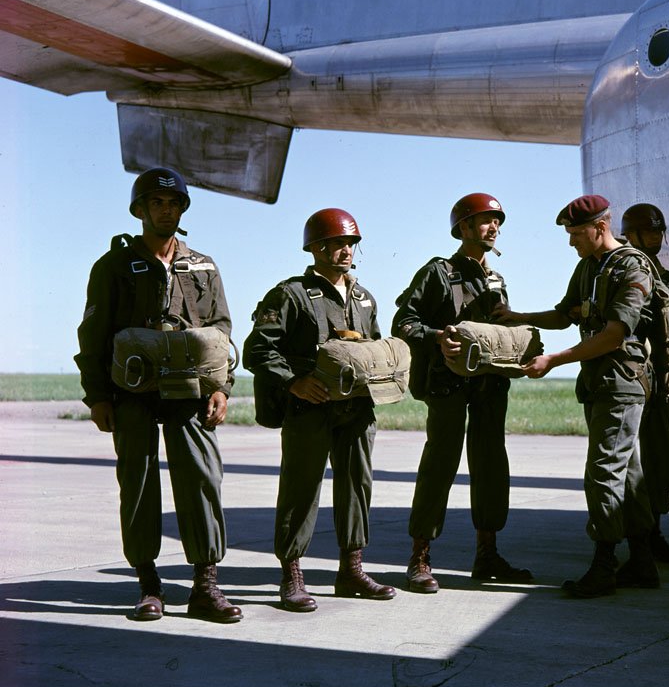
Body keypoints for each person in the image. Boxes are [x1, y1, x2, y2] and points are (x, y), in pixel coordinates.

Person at [75, 167, 242, 623]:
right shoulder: (112, 267)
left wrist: (222, 388)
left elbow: (222, 331)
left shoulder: (203, 266)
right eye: (156, 204)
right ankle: (149, 585)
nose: (165, 211)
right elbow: (94, 335)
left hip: (191, 390)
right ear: (141, 210)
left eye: (173, 204)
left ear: (181, 210)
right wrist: (98, 398)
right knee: (140, 483)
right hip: (133, 393)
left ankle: (205, 585)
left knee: (203, 482)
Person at [495, 194, 657, 598]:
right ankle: (641, 562)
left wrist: (552, 360)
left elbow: (614, 334)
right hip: (601, 384)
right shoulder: (589, 268)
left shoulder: (632, 267)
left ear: (600, 228)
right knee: (629, 476)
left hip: (621, 382)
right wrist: (520, 318)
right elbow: (565, 315)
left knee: (603, 472)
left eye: (576, 234)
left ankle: (604, 566)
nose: (571, 242)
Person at [242, 208, 396, 611]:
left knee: (357, 486)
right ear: (316, 248)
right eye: (338, 243)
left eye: (350, 243)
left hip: (357, 410)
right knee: (301, 489)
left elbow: (374, 349)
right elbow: (257, 349)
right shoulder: (290, 294)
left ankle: (352, 570)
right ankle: (291, 574)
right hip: (309, 408)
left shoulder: (365, 298)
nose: (346, 251)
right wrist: (295, 381)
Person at [392, 193, 532, 593]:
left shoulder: (497, 280)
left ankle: (486, 554)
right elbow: (404, 321)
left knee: (491, 465)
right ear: (464, 228)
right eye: (485, 220)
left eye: (496, 221)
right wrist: (438, 338)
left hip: (489, 385)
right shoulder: (438, 273)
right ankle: (419, 556)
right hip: (448, 385)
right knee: (440, 464)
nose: (494, 228)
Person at [621, 203, 669, 563]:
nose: (654, 238)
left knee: (659, 457)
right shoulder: (622, 275)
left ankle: (653, 529)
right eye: (647, 231)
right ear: (631, 234)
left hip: (665, 384)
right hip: (633, 384)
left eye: (657, 232)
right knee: (630, 462)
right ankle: (635, 535)